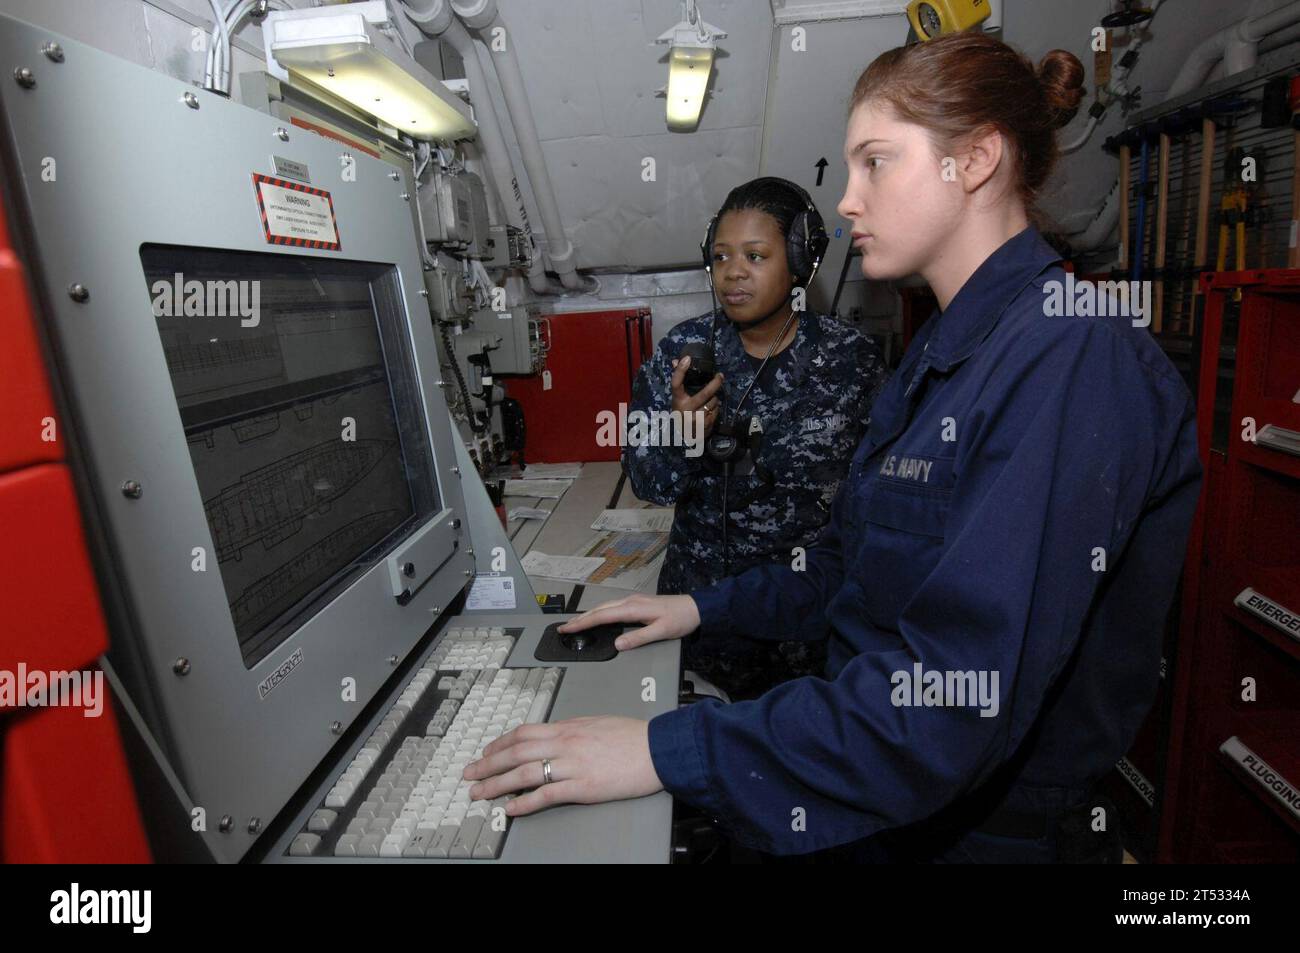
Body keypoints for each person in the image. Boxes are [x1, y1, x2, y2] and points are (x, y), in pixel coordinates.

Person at [463, 32, 1202, 863]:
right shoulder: (944, 358)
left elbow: (945, 710)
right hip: (882, 784)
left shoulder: (1070, 360)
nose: (848, 202)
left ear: (978, 160)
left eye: (875, 163)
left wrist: (661, 750)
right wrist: (699, 607)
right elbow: (846, 570)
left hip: (978, 832)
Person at [623, 176, 887, 700]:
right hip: (701, 621)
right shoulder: (684, 351)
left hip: (808, 629)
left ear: (799, 262)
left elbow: (877, 498)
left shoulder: (851, 360)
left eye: (755, 255)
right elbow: (646, 483)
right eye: (721, 257)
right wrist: (681, 438)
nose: (733, 273)